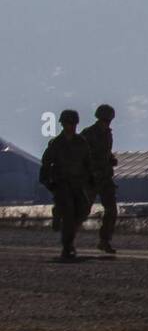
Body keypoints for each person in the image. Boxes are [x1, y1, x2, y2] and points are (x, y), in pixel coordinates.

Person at [39, 109, 94, 261]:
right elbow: (46, 163)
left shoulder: (81, 142)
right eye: (67, 123)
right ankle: (67, 246)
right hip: (62, 184)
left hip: (78, 183)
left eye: (72, 123)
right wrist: (47, 180)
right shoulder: (56, 143)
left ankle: (59, 216)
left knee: (83, 210)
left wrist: (91, 178)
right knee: (69, 214)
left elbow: (87, 162)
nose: (70, 126)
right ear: (63, 124)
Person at [81, 103, 119, 254]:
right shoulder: (88, 134)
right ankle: (68, 239)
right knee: (83, 211)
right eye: (105, 119)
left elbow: (106, 153)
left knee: (112, 210)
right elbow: (82, 155)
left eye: (108, 119)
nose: (107, 122)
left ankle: (105, 241)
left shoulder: (108, 134)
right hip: (91, 178)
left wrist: (110, 159)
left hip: (105, 178)